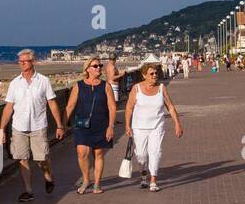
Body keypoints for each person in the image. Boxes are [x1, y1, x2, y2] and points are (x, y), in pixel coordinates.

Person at [0, 49, 64, 202]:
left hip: (38, 126)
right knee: (22, 159)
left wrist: (60, 125)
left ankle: (48, 176)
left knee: (42, 159)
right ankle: (28, 191)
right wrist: (2, 129)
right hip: (18, 127)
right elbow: (8, 108)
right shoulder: (15, 83)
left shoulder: (43, 81)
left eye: (24, 61)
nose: (21, 64)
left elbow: (52, 103)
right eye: (19, 61)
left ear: (32, 62)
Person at [124, 62, 184, 192]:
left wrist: (177, 124)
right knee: (141, 154)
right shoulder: (136, 88)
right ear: (144, 75)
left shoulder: (162, 88)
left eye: (156, 73)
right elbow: (129, 108)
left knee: (155, 152)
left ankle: (153, 180)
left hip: (157, 126)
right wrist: (127, 126)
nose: (155, 75)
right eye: (151, 73)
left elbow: (171, 107)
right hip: (139, 127)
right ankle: (143, 174)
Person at [65, 58, 117, 194]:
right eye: (95, 66)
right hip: (82, 124)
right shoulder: (79, 86)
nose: (99, 68)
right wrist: (62, 124)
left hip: (101, 124)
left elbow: (112, 107)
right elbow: (70, 106)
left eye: (100, 65)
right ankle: (87, 180)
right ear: (87, 69)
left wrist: (110, 126)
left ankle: (97, 183)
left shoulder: (106, 86)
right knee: (82, 152)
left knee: (98, 153)